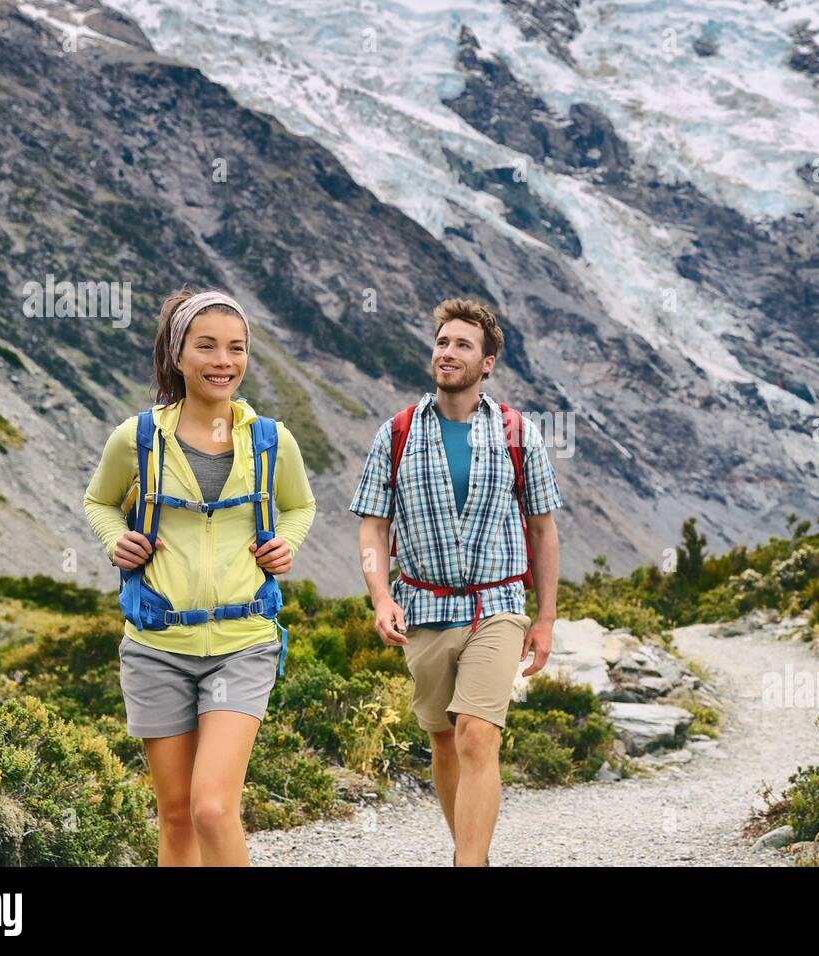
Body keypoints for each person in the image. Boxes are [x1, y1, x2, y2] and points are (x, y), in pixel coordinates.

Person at [82, 287, 317, 866]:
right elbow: (98, 502)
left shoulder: (269, 440)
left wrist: (285, 544)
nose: (223, 361)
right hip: (156, 647)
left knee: (213, 807)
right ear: (176, 353)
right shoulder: (138, 438)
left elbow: (300, 507)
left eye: (236, 348)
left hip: (243, 645)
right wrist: (118, 542)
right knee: (178, 814)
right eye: (206, 346)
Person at [349, 297, 562, 867]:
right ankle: (475, 852)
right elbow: (373, 526)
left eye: (463, 345)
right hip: (423, 610)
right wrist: (380, 596)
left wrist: (543, 619)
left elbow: (543, 530)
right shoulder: (395, 434)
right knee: (443, 738)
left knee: (475, 733)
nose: (448, 353)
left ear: (487, 362)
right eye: (442, 343)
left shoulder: (520, 434)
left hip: (496, 605)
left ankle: (466, 863)